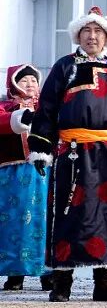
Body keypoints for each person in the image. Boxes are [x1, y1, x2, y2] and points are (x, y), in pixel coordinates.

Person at [27, 6, 107, 302]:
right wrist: (42, 148)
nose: (92, 36)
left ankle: (106, 283)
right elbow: (46, 108)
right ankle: (62, 282)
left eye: (98, 32)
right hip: (72, 152)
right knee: (69, 214)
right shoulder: (64, 66)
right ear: (78, 35)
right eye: (87, 31)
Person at [0, 64, 50, 291]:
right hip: (13, 175)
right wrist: (18, 116)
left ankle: (48, 273)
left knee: (47, 220)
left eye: (33, 80)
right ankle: (15, 273)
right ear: (12, 84)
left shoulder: (48, 108)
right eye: (24, 81)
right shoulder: (4, 107)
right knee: (14, 222)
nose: (30, 84)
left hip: (44, 173)